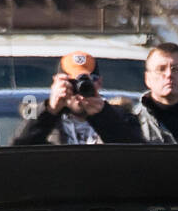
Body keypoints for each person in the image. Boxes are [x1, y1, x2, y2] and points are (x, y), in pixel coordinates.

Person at [11, 51, 148, 145]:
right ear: (56, 83)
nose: (79, 89)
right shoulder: (37, 116)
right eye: (72, 82)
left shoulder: (121, 116)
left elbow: (136, 155)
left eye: (86, 82)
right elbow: (16, 151)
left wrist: (104, 116)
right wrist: (50, 111)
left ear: (99, 83)